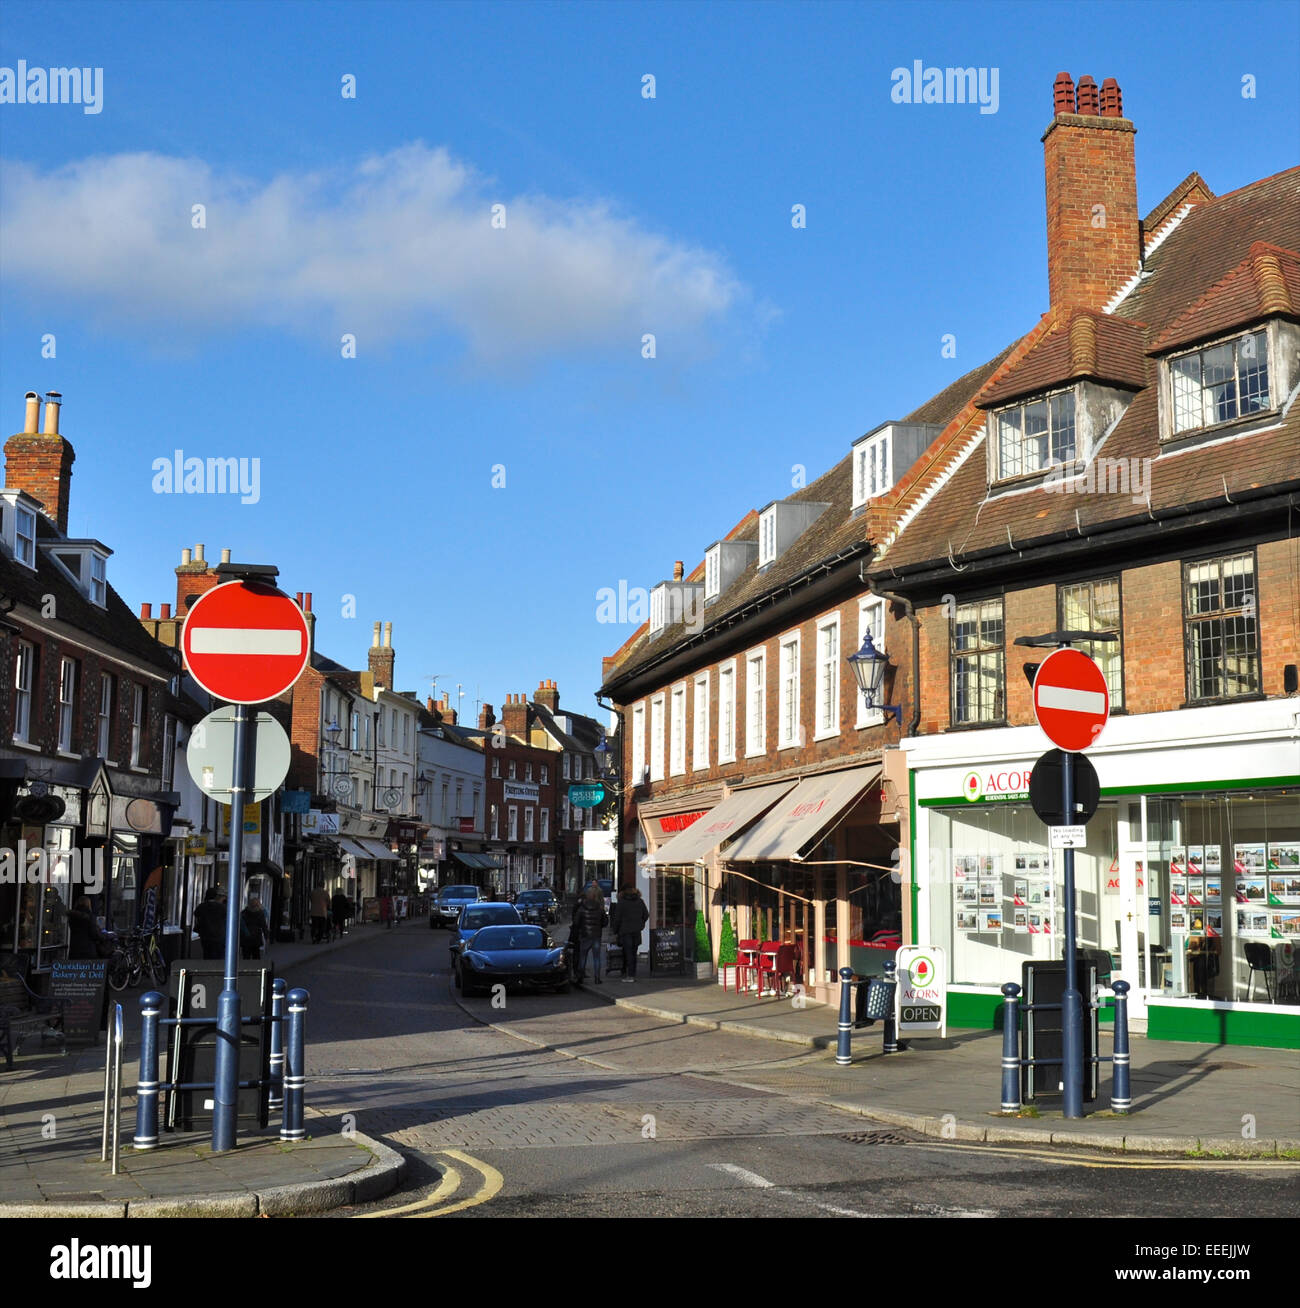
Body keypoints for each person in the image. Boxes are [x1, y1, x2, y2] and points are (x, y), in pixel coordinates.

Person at [610, 886, 649, 983]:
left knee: (628, 953)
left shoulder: (622, 903)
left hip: (625, 931)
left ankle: (630, 975)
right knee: (633, 952)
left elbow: (617, 918)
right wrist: (641, 924)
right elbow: (646, 915)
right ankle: (632, 973)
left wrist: (615, 931)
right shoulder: (640, 901)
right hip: (636, 930)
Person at [575, 881, 608, 984]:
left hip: (585, 935)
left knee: (583, 957)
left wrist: (581, 928)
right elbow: (605, 922)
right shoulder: (600, 909)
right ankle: (597, 978)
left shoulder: (582, 908)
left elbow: (576, 922)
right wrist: (599, 926)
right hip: (596, 935)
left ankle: (580, 977)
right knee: (597, 958)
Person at [194, 887, 227, 960]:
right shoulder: (222, 907)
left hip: (205, 934)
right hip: (218, 935)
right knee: (218, 955)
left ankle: (207, 968)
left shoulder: (202, 906)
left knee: (207, 954)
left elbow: (196, 914)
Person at [240, 896, 269, 960]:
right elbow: (264, 926)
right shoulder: (260, 913)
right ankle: (255, 969)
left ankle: (245, 969)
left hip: (246, 938)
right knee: (256, 956)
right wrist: (266, 937)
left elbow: (240, 925)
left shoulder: (244, 913)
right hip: (256, 938)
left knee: (246, 957)